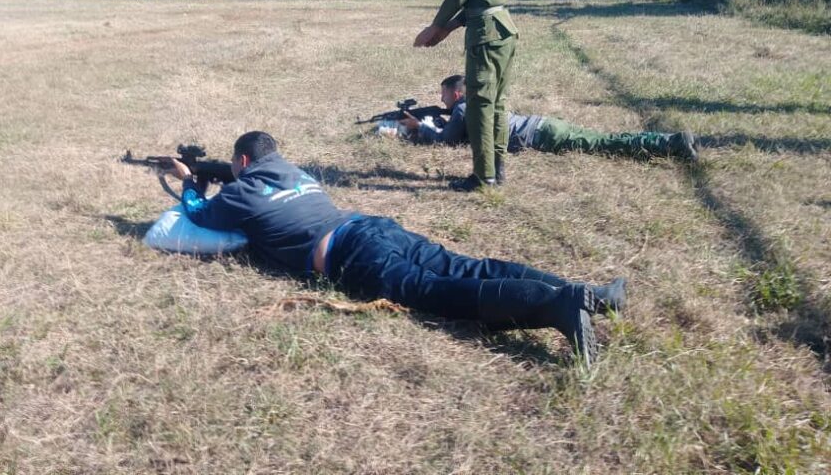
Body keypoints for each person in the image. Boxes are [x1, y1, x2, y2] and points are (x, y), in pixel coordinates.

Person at [167, 131, 629, 368]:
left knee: (437, 292)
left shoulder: (240, 192)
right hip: (371, 225)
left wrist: (189, 181)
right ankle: (589, 293)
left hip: (352, 255)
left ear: (243, 163)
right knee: (468, 265)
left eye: (234, 165)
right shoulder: (293, 171)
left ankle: (560, 306)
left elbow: (198, 216)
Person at [413, 0, 517, 191]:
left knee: (480, 106)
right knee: (497, 104)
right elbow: (479, 0)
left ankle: (483, 177)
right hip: (504, 30)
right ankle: (497, 169)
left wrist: (434, 27)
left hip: (486, 36)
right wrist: (447, 29)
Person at [394, 76, 699, 160]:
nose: (441, 100)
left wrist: (420, 126)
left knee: (606, 142)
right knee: (603, 139)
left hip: (544, 135)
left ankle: (670, 142)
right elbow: (461, 134)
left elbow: (448, 142)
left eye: (444, 95)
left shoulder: (461, 109)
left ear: (457, 95)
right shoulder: (474, 104)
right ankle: (671, 142)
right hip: (545, 126)